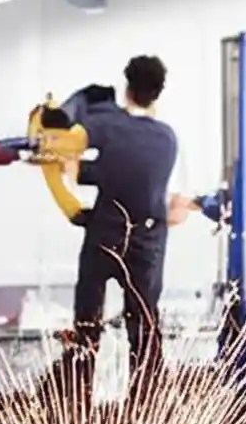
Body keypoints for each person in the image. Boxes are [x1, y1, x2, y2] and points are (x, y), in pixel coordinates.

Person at [63, 55, 179, 399]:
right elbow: (136, 173)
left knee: (86, 324)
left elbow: (77, 156)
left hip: (105, 234)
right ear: (158, 93)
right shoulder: (167, 139)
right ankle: (147, 406)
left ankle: (75, 403)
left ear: (126, 88)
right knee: (144, 327)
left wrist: (73, 168)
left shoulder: (106, 126)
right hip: (148, 241)